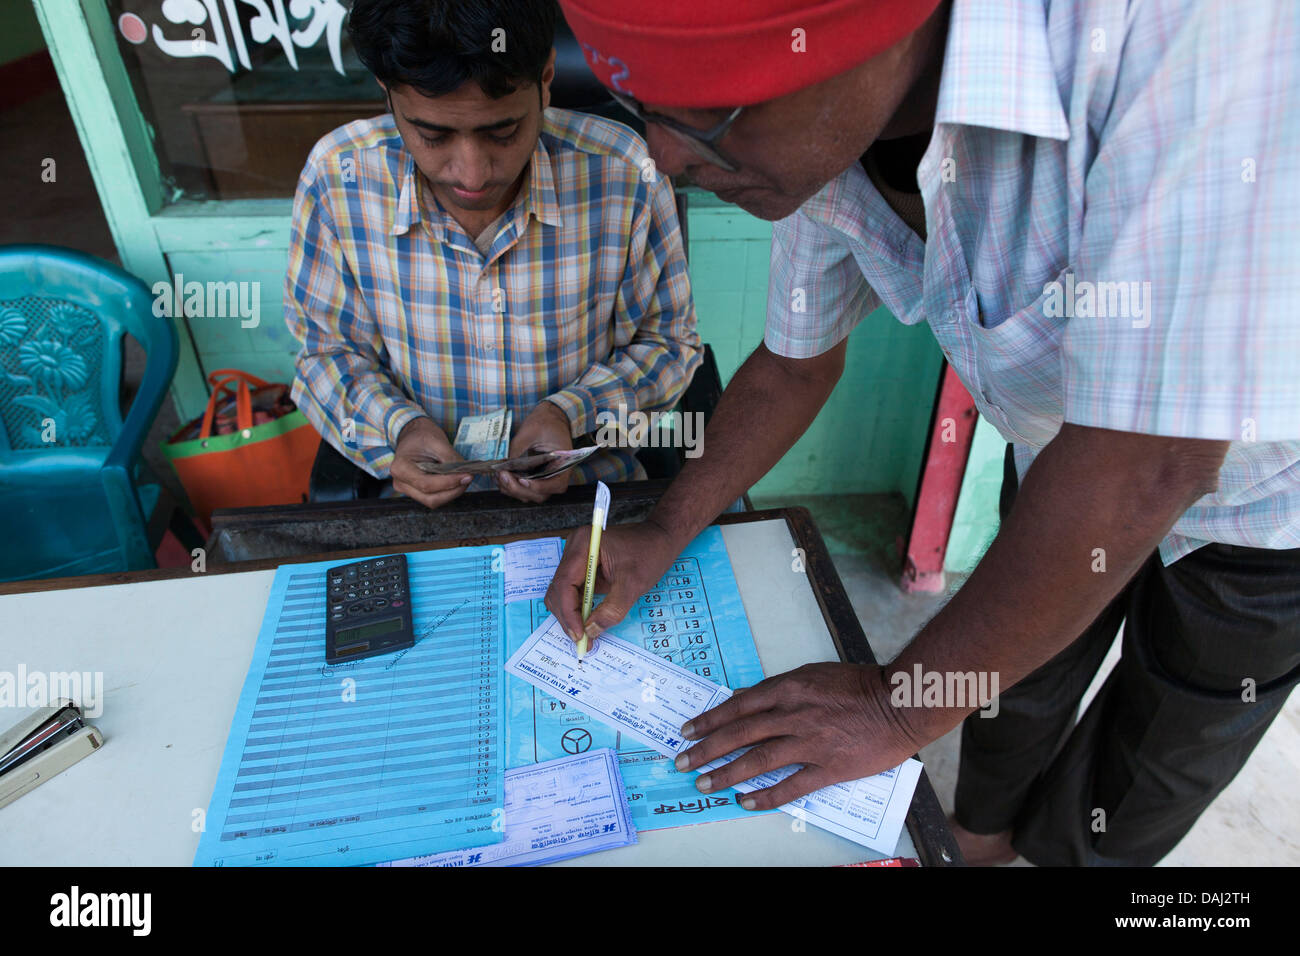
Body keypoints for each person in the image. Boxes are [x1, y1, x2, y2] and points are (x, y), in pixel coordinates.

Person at [546, 0, 1300, 865]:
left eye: (703, 117)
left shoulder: (1187, 32)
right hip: (1059, 461)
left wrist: (894, 711)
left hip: (1261, 509)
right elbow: (794, 364)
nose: (665, 162)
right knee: (1009, 686)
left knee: (1160, 749)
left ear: (877, 31)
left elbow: (1145, 463)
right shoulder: (822, 142)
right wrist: (665, 527)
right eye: (641, 113)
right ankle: (977, 844)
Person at [284, 0, 701, 509]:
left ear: (546, 77)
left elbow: (667, 344)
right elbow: (325, 355)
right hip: (416, 509)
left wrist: (569, 413)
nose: (472, 174)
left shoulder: (623, 174)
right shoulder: (338, 182)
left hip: (588, 501)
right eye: (432, 136)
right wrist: (401, 427)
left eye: (501, 132)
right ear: (387, 93)